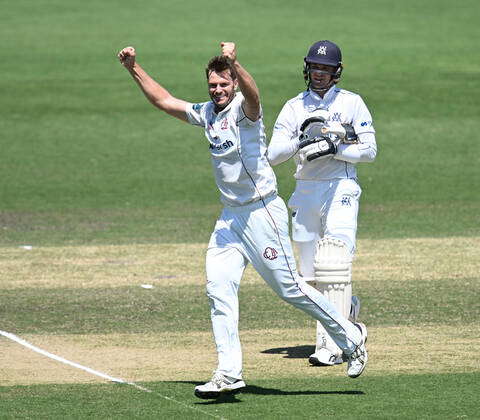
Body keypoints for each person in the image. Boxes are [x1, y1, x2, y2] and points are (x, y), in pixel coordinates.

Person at [117, 42, 368, 399]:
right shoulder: (207, 112)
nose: (218, 91)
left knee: (290, 289)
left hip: (261, 211)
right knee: (218, 288)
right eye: (213, 86)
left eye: (224, 84)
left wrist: (238, 64)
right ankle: (228, 373)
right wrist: (133, 69)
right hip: (229, 219)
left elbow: (254, 95)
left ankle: (350, 337)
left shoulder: (245, 112)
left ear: (233, 83)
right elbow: (165, 101)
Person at [267, 40, 377, 367]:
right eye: (316, 67)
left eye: (326, 69)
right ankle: (348, 313)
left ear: (336, 72)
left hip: (341, 185)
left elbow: (370, 151)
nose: (319, 73)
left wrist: (335, 149)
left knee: (335, 260)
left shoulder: (352, 103)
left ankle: (330, 347)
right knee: (308, 275)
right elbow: (272, 156)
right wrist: (303, 139)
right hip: (306, 189)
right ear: (307, 68)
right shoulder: (293, 107)